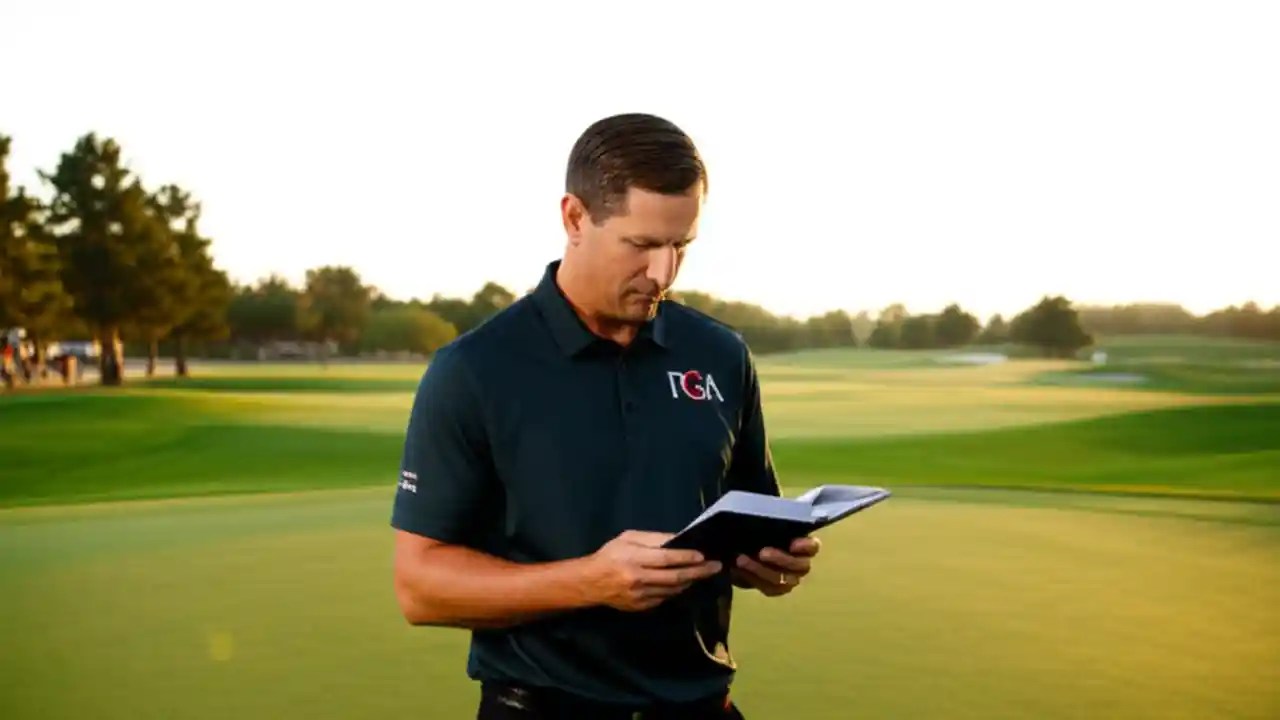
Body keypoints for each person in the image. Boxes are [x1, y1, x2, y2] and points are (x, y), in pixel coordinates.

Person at [390, 112, 821, 719]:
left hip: (701, 707)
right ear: (574, 218)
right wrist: (591, 581)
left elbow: (748, 525)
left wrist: (772, 564)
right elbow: (420, 587)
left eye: (681, 246)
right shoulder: (474, 370)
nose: (663, 273)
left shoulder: (721, 355)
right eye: (641, 245)